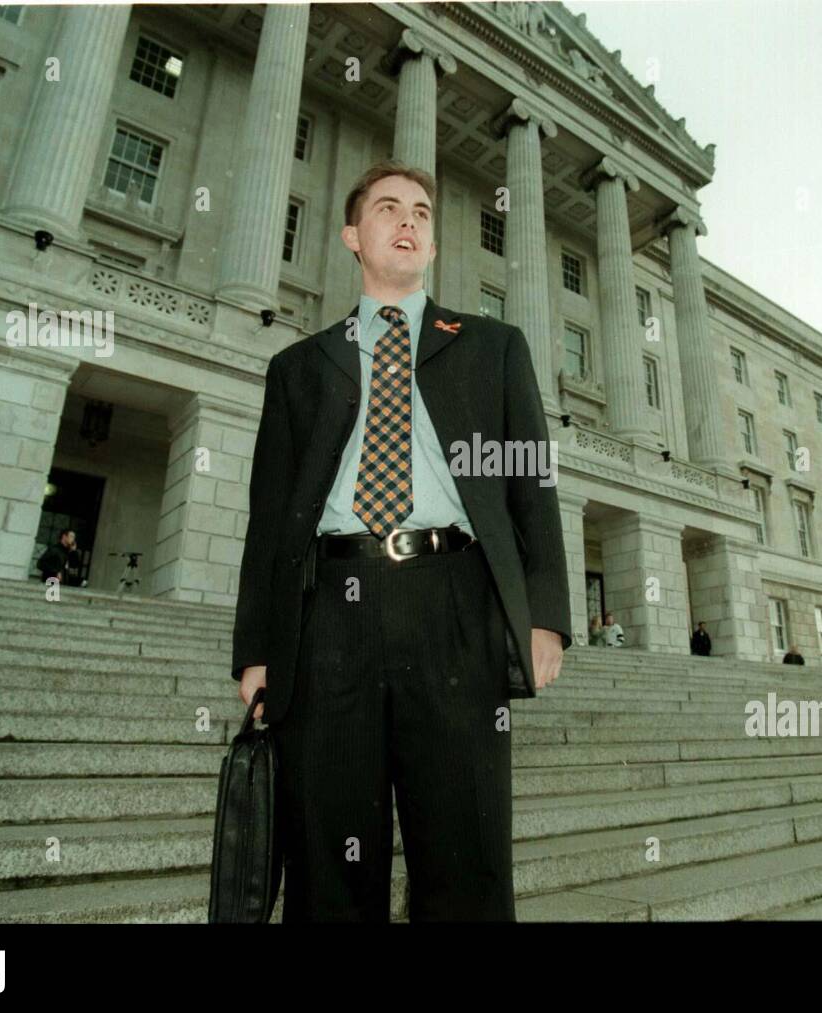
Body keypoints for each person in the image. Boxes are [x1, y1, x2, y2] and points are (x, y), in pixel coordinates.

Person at [231, 160, 572, 923]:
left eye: (421, 210)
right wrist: (256, 647)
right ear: (353, 235)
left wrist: (544, 612)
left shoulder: (492, 347)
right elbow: (269, 517)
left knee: (465, 853)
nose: (409, 220)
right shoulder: (297, 367)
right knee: (327, 860)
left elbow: (531, 485)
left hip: (453, 601)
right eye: (387, 208)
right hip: (327, 613)